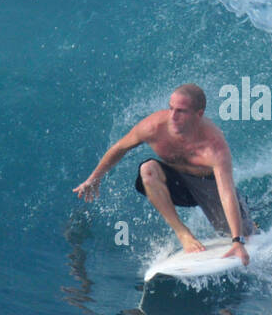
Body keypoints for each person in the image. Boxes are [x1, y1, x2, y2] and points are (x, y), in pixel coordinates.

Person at [73, 83, 256, 264]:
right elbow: (120, 147)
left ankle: (248, 223)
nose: (173, 116)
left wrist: (237, 241)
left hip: (208, 187)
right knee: (148, 170)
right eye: (171, 109)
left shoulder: (214, 146)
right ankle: (183, 233)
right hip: (177, 185)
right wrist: (94, 178)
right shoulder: (153, 127)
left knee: (247, 237)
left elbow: (226, 192)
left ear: (198, 114)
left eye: (181, 111)